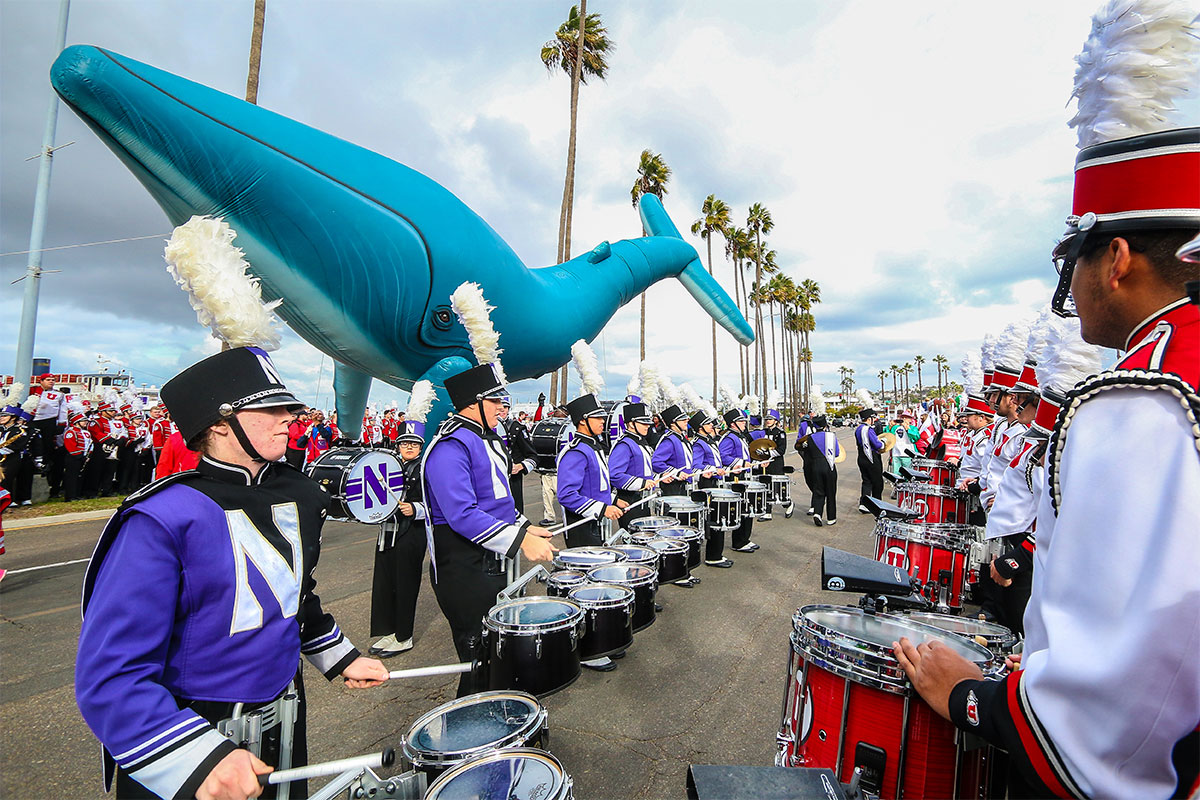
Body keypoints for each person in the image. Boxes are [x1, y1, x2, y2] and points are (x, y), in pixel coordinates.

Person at [894, 88, 1200, 797]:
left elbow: (1114, 716)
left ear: (1116, 258)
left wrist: (977, 698)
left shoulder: (1143, 400)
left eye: (1073, 259)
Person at [75, 346, 389, 800]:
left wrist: (340, 658)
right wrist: (194, 756)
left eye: (288, 408)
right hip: (194, 735)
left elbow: (294, 593)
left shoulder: (298, 492)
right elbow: (112, 673)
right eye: (269, 408)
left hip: (284, 714)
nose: (289, 418)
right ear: (220, 423)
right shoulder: (162, 517)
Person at [422, 363, 557, 696]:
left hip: (490, 561)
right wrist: (519, 540)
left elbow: (497, 499)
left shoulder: (486, 438)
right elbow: (462, 514)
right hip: (464, 567)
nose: (503, 407)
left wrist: (525, 526)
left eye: (502, 400)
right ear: (473, 402)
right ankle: (472, 737)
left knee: (501, 656)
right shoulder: (450, 446)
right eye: (495, 400)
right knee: (481, 663)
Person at [369, 416, 428, 658]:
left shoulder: (427, 469)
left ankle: (404, 636)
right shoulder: (389, 466)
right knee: (385, 583)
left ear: (421, 447)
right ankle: (390, 631)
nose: (410, 448)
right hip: (388, 532)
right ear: (397, 445)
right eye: (405, 443)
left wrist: (417, 509)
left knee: (405, 584)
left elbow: (442, 503)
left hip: (412, 533)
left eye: (414, 444)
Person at [556, 393, 622, 549]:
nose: (603, 421)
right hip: (581, 526)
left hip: (596, 522)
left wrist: (613, 500)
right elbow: (566, 495)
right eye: (597, 418)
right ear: (582, 421)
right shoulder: (576, 451)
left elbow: (596, 484)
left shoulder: (592, 446)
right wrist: (602, 508)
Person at [607, 402, 658, 528]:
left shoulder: (640, 442)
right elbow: (614, 475)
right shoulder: (624, 445)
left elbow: (644, 471)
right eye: (643, 423)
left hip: (643, 500)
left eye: (648, 422)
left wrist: (658, 477)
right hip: (629, 500)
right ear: (631, 424)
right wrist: (642, 483)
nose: (647, 426)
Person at [717, 408, 759, 554]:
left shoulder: (739, 436)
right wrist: (739, 462)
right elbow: (722, 456)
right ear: (733, 424)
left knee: (748, 508)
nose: (744, 424)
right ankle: (739, 542)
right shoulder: (729, 437)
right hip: (734, 478)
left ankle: (745, 539)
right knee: (741, 510)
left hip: (743, 476)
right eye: (741, 421)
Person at [497, 397, 537, 514]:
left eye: (505, 407)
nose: (502, 410)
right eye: (500, 407)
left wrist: (521, 466)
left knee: (515, 513)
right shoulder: (486, 428)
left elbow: (533, 456)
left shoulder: (517, 428)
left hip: (513, 479)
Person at [800, 414, 843, 526]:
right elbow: (837, 453)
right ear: (825, 426)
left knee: (818, 490)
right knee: (830, 492)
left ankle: (817, 513)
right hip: (829, 466)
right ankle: (831, 518)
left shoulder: (809, 438)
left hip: (815, 466)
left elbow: (806, 454)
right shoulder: (831, 436)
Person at [650, 404, 693, 498]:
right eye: (682, 419)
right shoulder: (669, 440)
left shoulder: (681, 439)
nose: (686, 420)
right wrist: (676, 473)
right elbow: (656, 462)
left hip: (683, 486)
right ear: (673, 423)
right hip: (673, 486)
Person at [853, 408, 885, 513]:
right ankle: (877, 505)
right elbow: (877, 444)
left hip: (861, 457)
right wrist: (883, 443)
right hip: (872, 458)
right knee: (877, 482)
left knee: (866, 481)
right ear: (869, 419)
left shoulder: (858, 429)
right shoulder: (869, 429)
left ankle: (864, 503)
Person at [62, 410, 93, 502]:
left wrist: (88, 455)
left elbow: (90, 444)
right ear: (77, 422)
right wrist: (80, 455)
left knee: (80, 477)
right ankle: (70, 496)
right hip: (74, 458)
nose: (85, 422)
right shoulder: (70, 432)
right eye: (83, 421)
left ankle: (77, 494)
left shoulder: (86, 432)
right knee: (72, 477)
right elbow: (71, 446)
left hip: (83, 457)